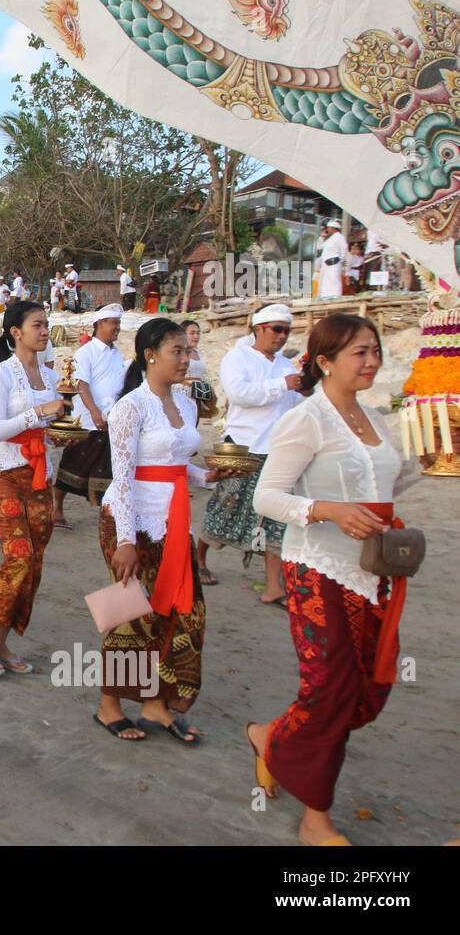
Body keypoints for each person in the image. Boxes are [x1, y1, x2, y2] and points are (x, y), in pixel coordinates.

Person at [249, 314, 411, 845]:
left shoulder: (377, 420)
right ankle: (315, 815)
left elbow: (388, 482)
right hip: (317, 568)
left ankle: (273, 736)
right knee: (332, 688)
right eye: (358, 353)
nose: (370, 362)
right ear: (324, 362)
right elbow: (267, 497)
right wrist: (326, 510)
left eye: (374, 351)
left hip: (373, 571)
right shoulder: (306, 419)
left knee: (368, 687)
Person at [95, 319, 230, 742]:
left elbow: (175, 462)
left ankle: (157, 705)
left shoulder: (186, 403)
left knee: (186, 613)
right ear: (150, 354)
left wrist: (207, 476)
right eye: (178, 351)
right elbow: (122, 478)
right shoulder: (129, 407)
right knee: (130, 617)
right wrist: (126, 540)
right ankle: (109, 705)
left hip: (175, 521)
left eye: (188, 351)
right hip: (128, 521)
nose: (186, 359)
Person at [0, 301, 64, 675]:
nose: (45, 331)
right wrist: (38, 414)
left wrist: (60, 435)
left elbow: (49, 429)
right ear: (16, 332)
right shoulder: (0, 374)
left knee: (34, 563)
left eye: (46, 325)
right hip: (1, 473)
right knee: (20, 555)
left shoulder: (52, 377)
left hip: (39, 474)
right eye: (38, 325)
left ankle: (2, 639)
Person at [197, 303, 302, 602]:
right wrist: (282, 385)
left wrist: (304, 392)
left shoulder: (285, 365)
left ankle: (273, 586)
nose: (282, 336)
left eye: (287, 330)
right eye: (277, 329)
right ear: (259, 329)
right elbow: (240, 394)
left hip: (278, 452)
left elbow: (294, 406)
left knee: (275, 517)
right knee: (225, 506)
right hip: (243, 447)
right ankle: (200, 556)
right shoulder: (237, 358)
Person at [54, 303, 125, 527]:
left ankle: (106, 508)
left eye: (118, 324)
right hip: (87, 419)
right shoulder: (86, 353)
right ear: (100, 324)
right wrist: (94, 411)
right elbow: (81, 384)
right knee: (73, 463)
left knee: (106, 465)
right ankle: (56, 508)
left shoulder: (117, 353)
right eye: (113, 323)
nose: (117, 328)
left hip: (111, 418)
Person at [317, 219, 349, 300]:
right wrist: (322, 237)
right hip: (325, 262)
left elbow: (344, 249)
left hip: (334, 262)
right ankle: (325, 296)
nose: (327, 229)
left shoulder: (340, 237)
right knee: (325, 280)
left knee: (334, 279)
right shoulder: (329, 239)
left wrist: (340, 260)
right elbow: (319, 247)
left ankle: (335, 296)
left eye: (328, 228)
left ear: (333, 228)